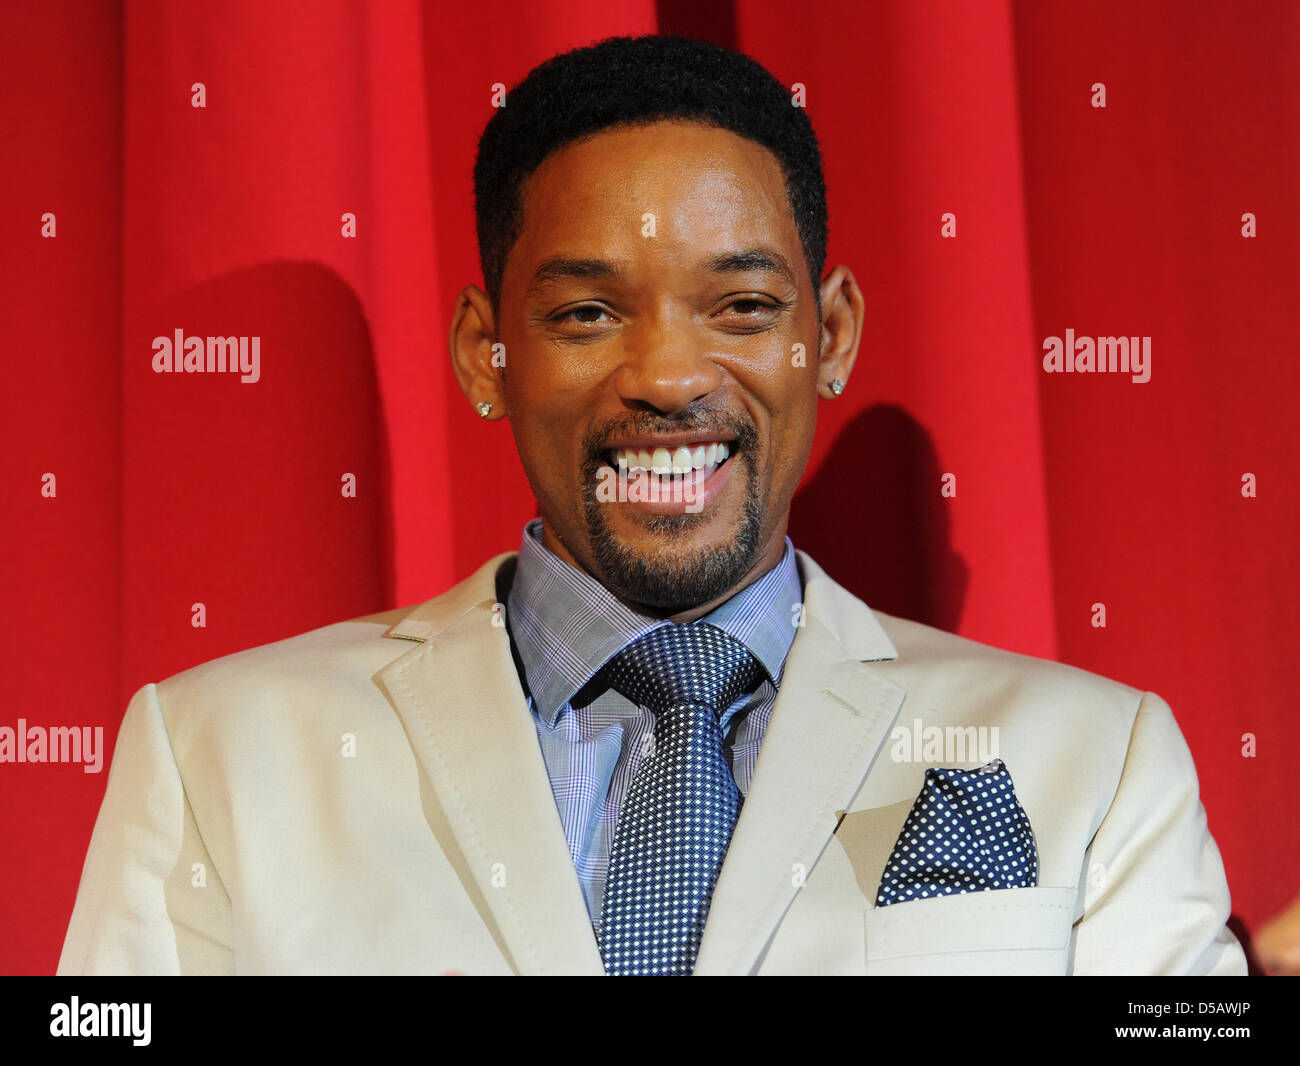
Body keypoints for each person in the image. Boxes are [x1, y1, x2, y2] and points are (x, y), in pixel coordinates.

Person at [58, 34, 1245, 976]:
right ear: (485, 353)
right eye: (586, 314)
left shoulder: (1091, 763)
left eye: (740, 307)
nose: (669, 377)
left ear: (827, 336)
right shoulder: (218, 754)